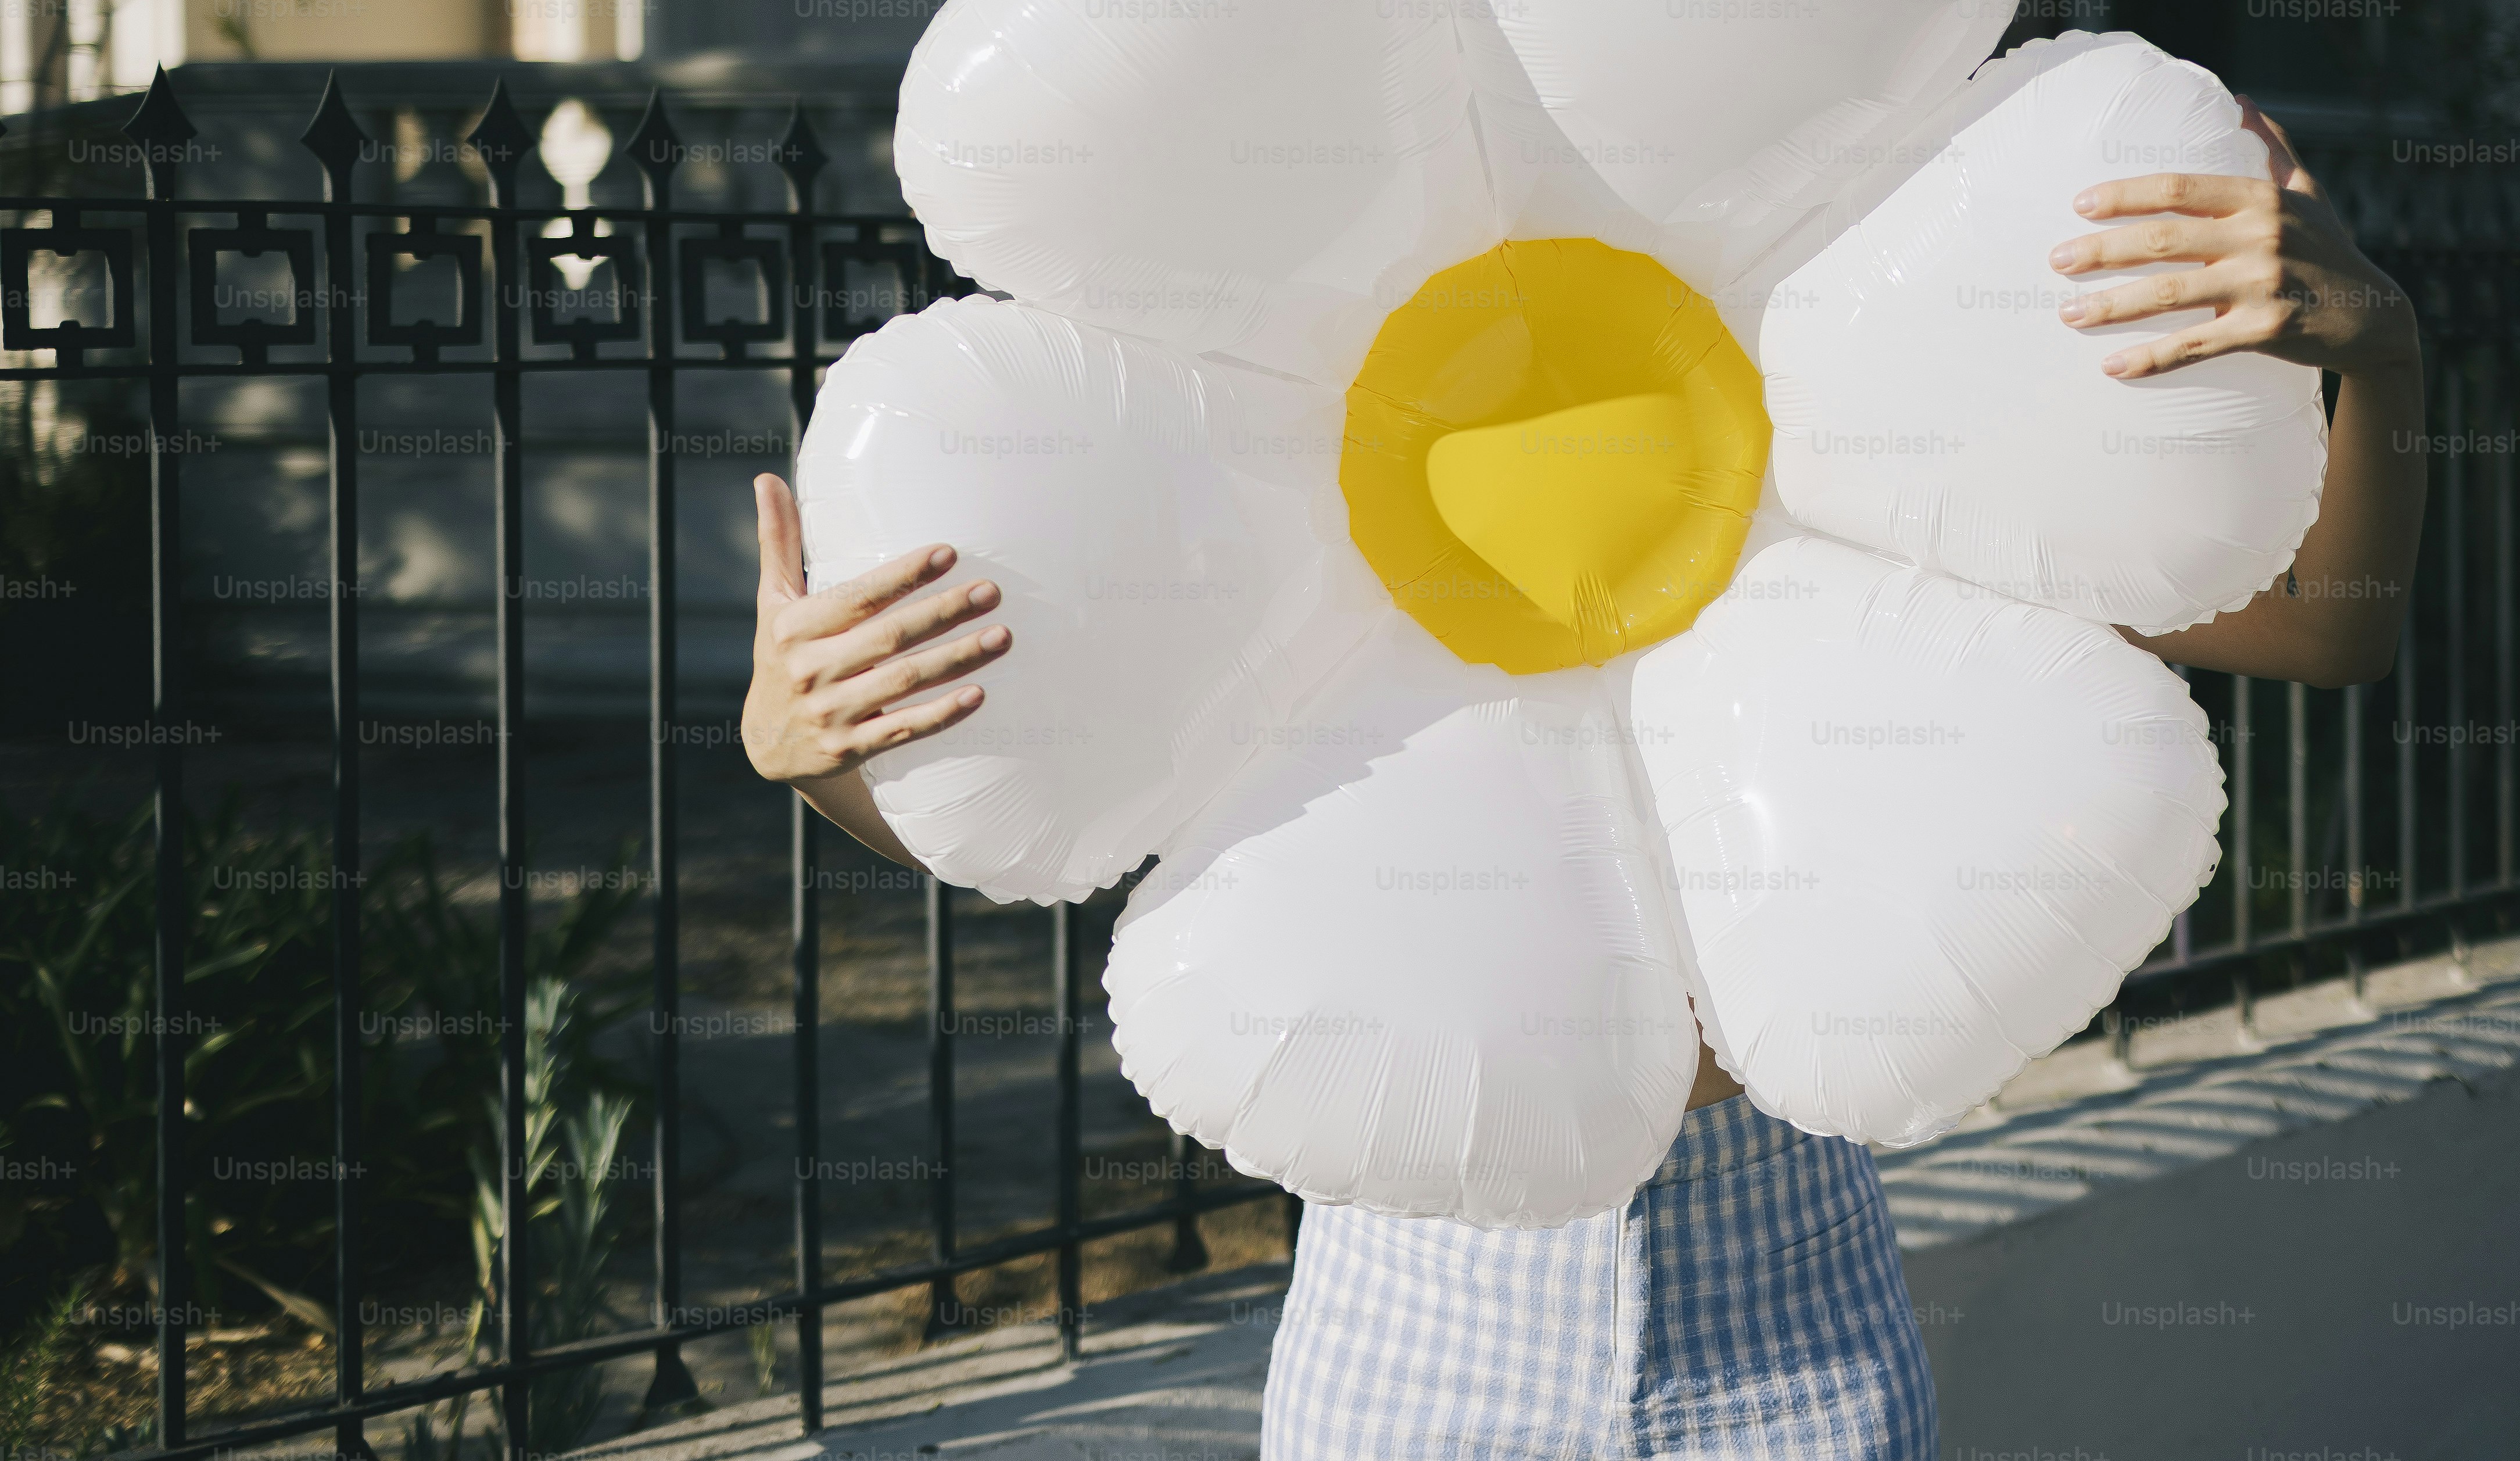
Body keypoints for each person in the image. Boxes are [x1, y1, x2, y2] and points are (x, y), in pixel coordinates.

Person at [741, 98, 2428, 1458]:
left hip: (1789, 1328)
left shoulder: (1876, 468)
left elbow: (2328, 630)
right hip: (1416, 1339)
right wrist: (801, 760)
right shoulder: (1287, 534)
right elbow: (1022, 810)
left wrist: (2388, 349)